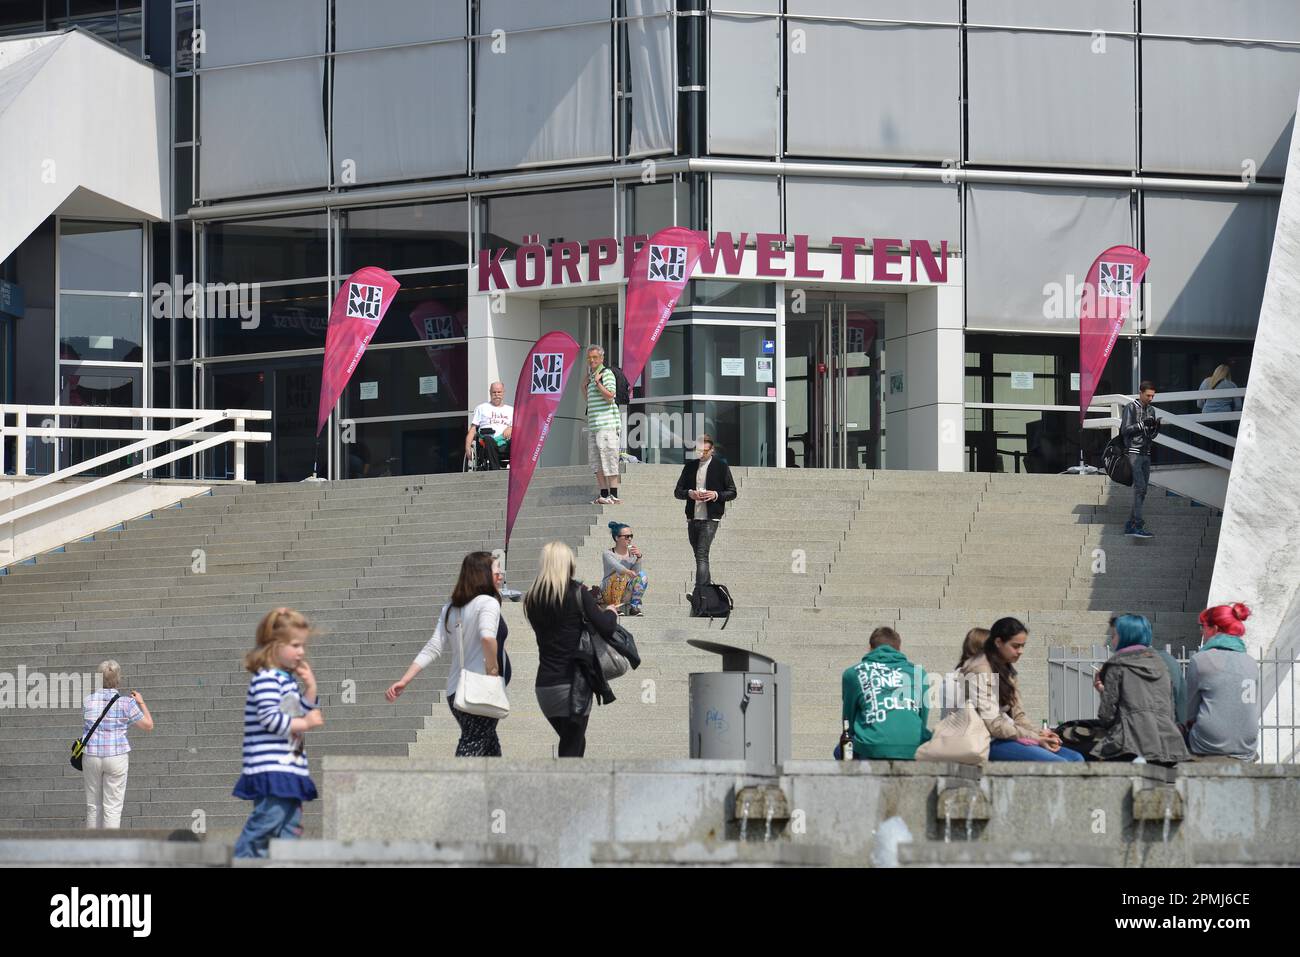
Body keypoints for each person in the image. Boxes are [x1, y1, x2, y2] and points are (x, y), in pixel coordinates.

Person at [386, 552, 507, 756]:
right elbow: (487, 637)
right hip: (480, 689)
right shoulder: (488, 603)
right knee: (473, 743)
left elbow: (434, 646)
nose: (501, 576)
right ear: (483, 575)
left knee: (489, 746)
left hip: (455, 690)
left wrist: (404, 680)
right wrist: (493, 669)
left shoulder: (451, 608)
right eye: (496, 572)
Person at [233, 608, 324, 858]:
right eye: (295, 645)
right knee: (266, 824)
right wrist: (306, 724)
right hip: (271, 767)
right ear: (273, 645)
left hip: (290, 767)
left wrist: (311, 687)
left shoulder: (286, 680)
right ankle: (241, 861)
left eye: (303, 645)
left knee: (290, 828)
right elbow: (270, 718)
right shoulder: (266, 678)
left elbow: (298, 712)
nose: (302, 652)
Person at [524, 541, 619, 757]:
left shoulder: (532, 599)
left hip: (545, 687)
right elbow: (605, 627)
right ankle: (566, 789)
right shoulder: (577, 592)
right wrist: (611, 611)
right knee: (572, 747)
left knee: (574, 742)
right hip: (572, 685)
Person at [961, 617, 1084, 762]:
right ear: (998, 642)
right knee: (1059, 763)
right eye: (1015, 646)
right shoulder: (979, 670)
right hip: (985, 740)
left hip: (1008, 736)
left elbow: (1018, 715)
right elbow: (994, 725)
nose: (1021, 651)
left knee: (1076, 758)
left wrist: (1041, 733)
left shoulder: (1007, 669)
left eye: (1023, 646)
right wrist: (1036, 738)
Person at [1080, 614, 1190, 764]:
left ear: (1125, 637)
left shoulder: (1116, 665)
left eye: (1113, 636)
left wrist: (1102, 691)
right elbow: (1169, 711)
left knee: (1072, 739)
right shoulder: (1161, 664)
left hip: (1129, 745)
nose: (1112, 641)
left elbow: (1106, 716)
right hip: (1168, 745)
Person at [837, 627, 931, 760]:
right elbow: (922, 718)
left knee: (840, 750)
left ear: (870, 648)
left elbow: (848, 720)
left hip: (871, 747)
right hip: (912, 746)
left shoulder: (853, 673)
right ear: (899, 649)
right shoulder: (919, 673)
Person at [81, 660, 154, 829]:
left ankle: (91, 848)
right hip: (116, 755)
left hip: (91, 755)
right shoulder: (126, 703)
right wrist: (141, 702)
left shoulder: (88, 701)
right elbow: (148, 725)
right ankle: (110, 848)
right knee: (112, 807)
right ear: (118, 679)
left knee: (93, 806)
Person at [1185, 603, 1259, 762]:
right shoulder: (1251, 663)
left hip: (1208, 743)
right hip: (1247, 745)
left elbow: (1189, 712)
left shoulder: (1201, 660)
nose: (1202, 634)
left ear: (1215, 629)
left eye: (1203, 627)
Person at [673, 433, 738, 591]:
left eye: (705, 451)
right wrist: (690, 493)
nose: (701, 454)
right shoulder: (690, 467)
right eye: (699, 451)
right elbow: (677, 491)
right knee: (699, 555)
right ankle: (706, 590)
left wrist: (715, 495)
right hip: (692, 517)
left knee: (702, 553)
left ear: (712, 450)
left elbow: (732, 492)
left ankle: (699, 590)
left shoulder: (721, 466)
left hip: (711, 518)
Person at [1110, 614, 1185, 723]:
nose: (1112, 642)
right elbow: (1181, 702)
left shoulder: (1123, 665)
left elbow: (1113, 713)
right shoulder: (1168, 660)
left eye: (1114, 636)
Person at [1121, 381, 1163, 539]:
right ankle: (1137, 524)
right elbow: (1124, 430)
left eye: (1153, 395)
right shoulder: (1131, 407)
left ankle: (1131, 524)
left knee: (1143, 490)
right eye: (1148, 395)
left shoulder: (1151, 409)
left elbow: (1150, 435)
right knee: (1140, 488)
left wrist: (1155, 429)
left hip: (1146, 452)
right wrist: (1141, 424)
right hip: (1134, 453)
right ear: (1140, 392)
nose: (1151, 398)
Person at [585, 345, 622, 504]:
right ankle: (604, 494)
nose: (592, 360)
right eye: (589, 358)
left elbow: (610, 396)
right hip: (594, 426)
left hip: (606, 426)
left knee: (609, 459)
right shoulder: (593, 376)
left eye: (595, 357)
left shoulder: (606, 374)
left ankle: (613, 494)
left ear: (601, 358)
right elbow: (589, 400)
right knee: (596, 462)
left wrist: (598, 382)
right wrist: (585, 385)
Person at [602, 521, 647, 616]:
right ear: (617, 538)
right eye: (626, 536)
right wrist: (627, 571)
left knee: (642, 576)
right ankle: (616, 607)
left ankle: (634, 607)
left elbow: (636, 573)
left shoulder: (632, 555)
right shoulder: (608, 553)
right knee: (620, 574)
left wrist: (639, 557)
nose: (629, 539)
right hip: (608, 590)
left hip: (625, 590)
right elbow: (618, 567)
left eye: (631, 536)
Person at [465, 381, 514, 468]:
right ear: (490, 393)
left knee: (517, 441)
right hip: (487, 442)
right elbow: (473, 429)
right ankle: (495, 470)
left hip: (505, 442)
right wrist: (468, 446)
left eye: (499, 392)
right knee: (488, 439)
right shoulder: (481, 408)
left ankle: (518, 469)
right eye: (494, 392)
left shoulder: (511, 410)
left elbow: (520, 428)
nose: (497, 394)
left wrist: (511, 428)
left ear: (503, 393)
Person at [1197, 363, 1243, 439]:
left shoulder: (1205, 382)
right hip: (1225, 416)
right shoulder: (1231, 385)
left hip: (1207, 416)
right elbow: (1238, 406)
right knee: (1225, 439)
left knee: (1209, 440)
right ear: (1228, 374)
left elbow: (1199, 404)